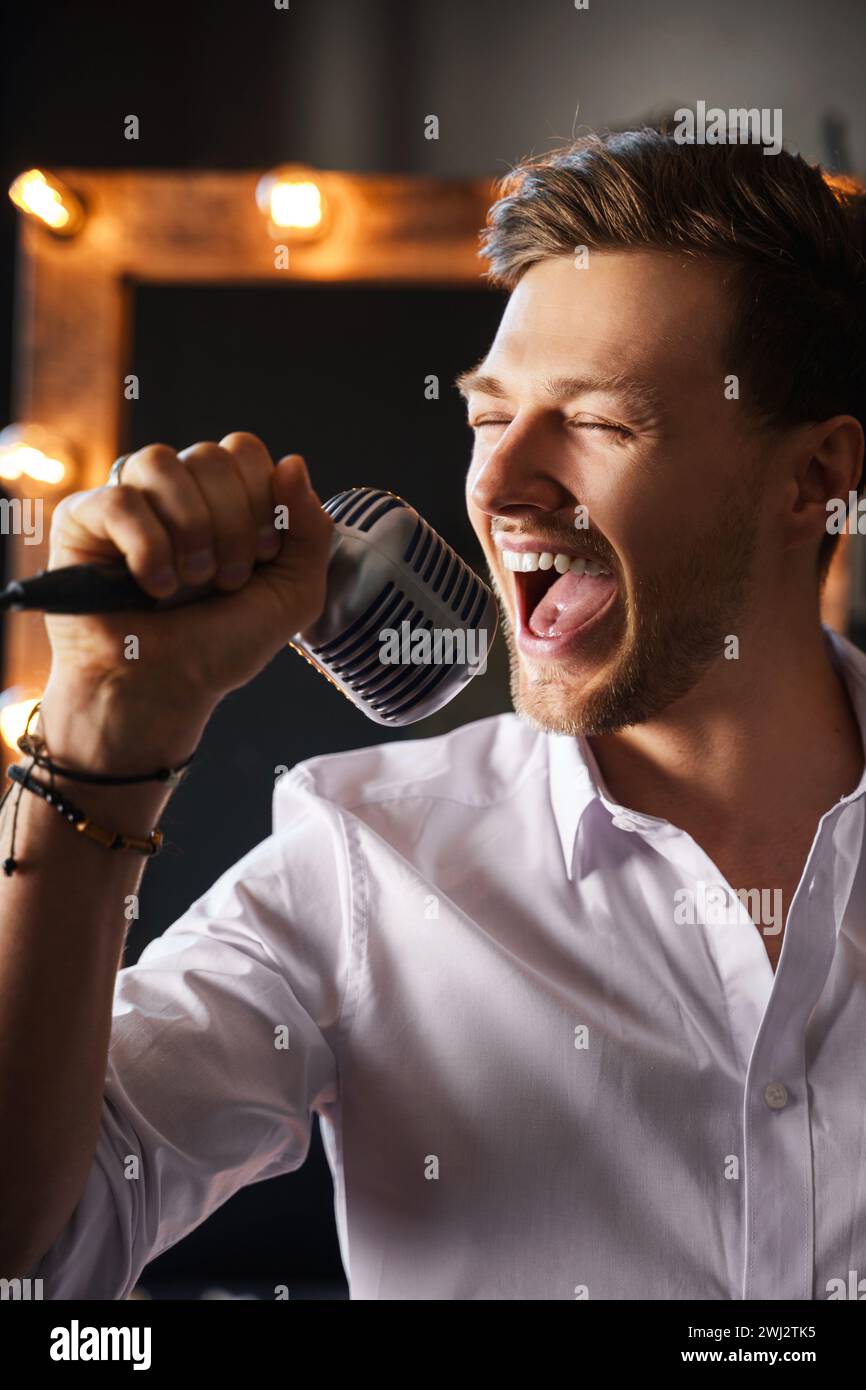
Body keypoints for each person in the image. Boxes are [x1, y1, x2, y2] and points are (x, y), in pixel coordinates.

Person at [2, 128, 866, 1301]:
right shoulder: (363, 855)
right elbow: (31, 1258)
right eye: (486, 417)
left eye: (602, 422)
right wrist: (100, 741)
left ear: (813, 480)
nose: (500, 483)